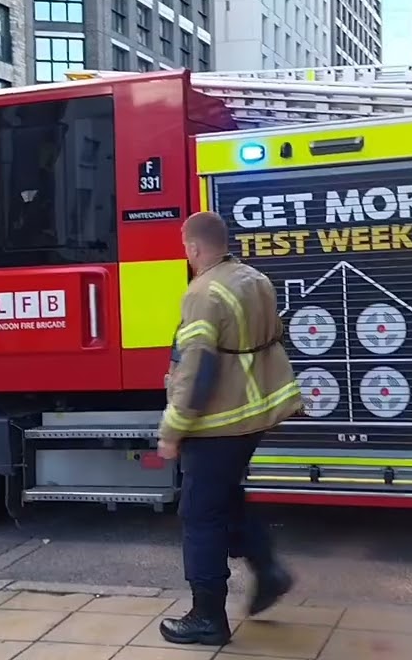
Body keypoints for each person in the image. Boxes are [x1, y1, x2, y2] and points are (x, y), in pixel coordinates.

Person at [157, 211, 304, 646]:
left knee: (200, 515)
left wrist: (173, 428)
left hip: (217, 422)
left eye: (186, 246)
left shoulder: (203, 292)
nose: (186, 252)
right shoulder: (254, 279)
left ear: (195, 247)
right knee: (224, 497)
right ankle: (269, 571)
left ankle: (207, 618)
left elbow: (197, 370)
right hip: (251, 418)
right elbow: (273, 334)